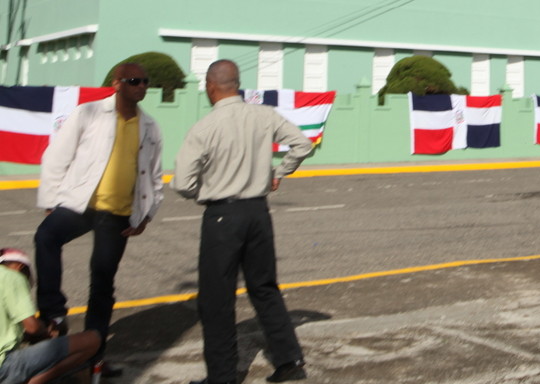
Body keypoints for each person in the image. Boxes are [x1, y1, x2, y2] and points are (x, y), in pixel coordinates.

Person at [173, 60, 314, 384]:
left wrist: (203, 192)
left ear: (211, 86)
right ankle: (289, 360)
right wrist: (278, 173)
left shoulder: (205, 127)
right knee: (264, 287)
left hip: (222, 215)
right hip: (257, 212)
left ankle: (221, 376)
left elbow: (182, 181)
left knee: (216, 298)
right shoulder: (263, 115)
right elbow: (302, 144)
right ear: (237, 85)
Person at [33, 62, 163, 375]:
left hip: (119, 215)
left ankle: (95, 358)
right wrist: (52, 201)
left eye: (145, 81)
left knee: (102, 284)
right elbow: (56, 156)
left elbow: (154, 176)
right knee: (46, 236)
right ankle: (54, 312)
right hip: (82, 204)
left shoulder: (150, 126)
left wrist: (146, 215)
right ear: (117, 83)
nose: (141, 86)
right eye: (134, 80)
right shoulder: (88, 113)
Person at [0, 248, 101, 384]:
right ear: (20, 267)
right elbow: (32, 327)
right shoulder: (12, 277)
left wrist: (25, 336)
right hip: (5, 367)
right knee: (92, 340)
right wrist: (46, 330)